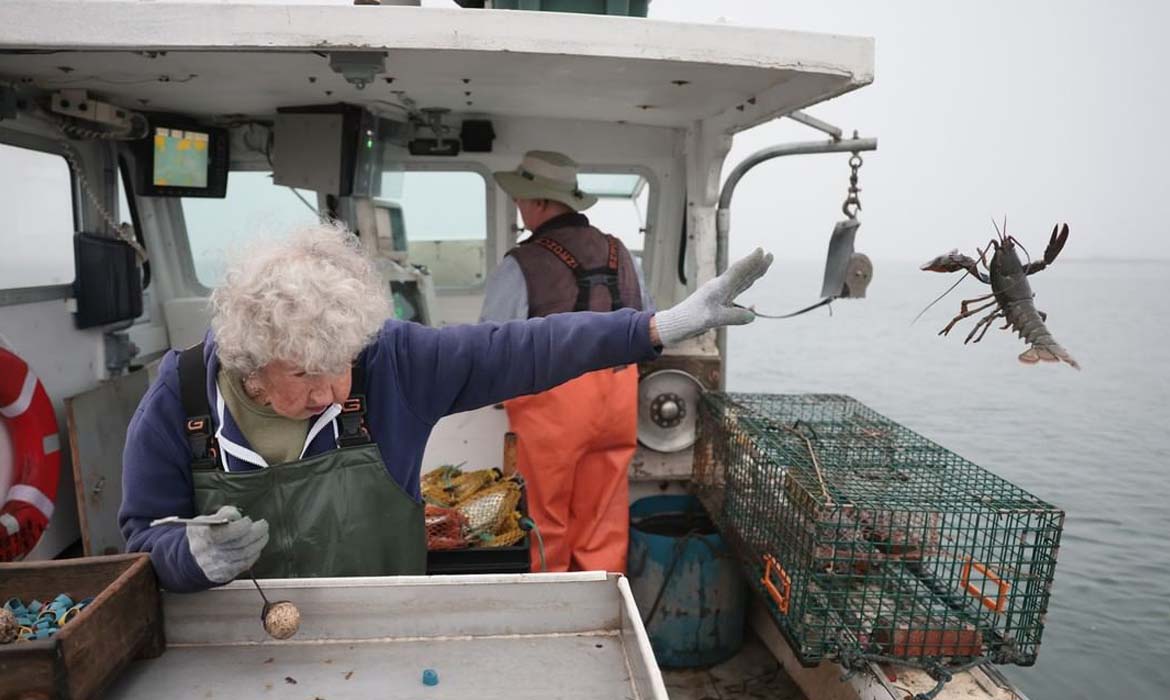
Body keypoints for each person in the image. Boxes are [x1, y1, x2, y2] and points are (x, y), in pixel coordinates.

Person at [118, 222, 772, 592]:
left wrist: (657, 328)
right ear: (251, 364)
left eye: (339, 365)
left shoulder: (388, 360)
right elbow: (145, 535)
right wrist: (190, 556)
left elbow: (518, 347)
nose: (330, 392)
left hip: (388, 626)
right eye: (304, 374)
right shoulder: (178, 400)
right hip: (236, 645)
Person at [481, 150, 650, 573]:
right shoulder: (622, 254)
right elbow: (650, 326)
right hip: (617, 398)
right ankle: (600, 606)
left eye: (521, 198)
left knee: (544, 520)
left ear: (538, 202)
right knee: (602, 520)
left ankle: (549, 616)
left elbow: (490, 342)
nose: (518, 206)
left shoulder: (521, 264)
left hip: (553, 406)